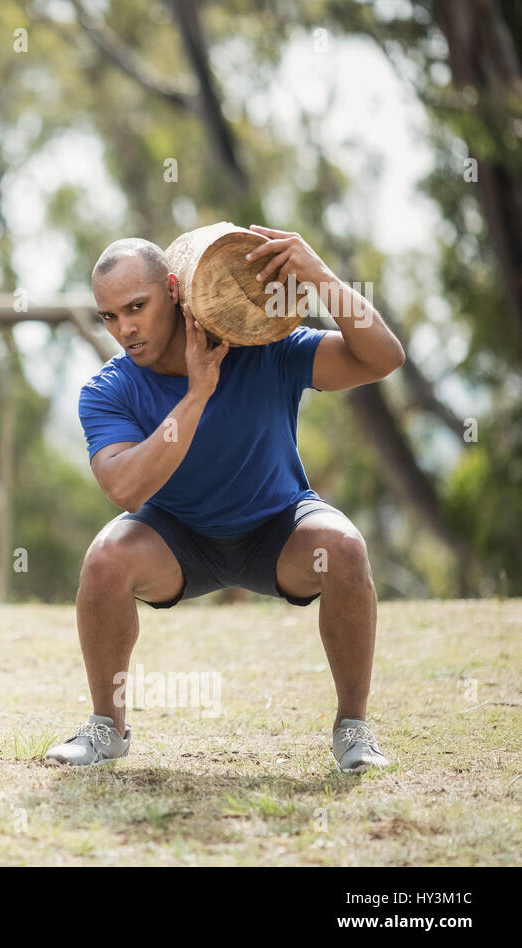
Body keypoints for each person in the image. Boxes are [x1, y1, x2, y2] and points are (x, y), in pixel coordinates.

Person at [48, 226, 405, 773]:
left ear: (173, 289)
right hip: (177, 536)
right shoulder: (108, 388)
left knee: (344, 547)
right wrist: (197, 394)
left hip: (278, 528)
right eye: (110, 316)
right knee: (105, 561)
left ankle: (353, 730)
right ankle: (107, 728)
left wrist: (319, 275)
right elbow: (125, 488)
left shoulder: (266, 350)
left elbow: (382, 358)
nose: (125, 328)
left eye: (136, 306)